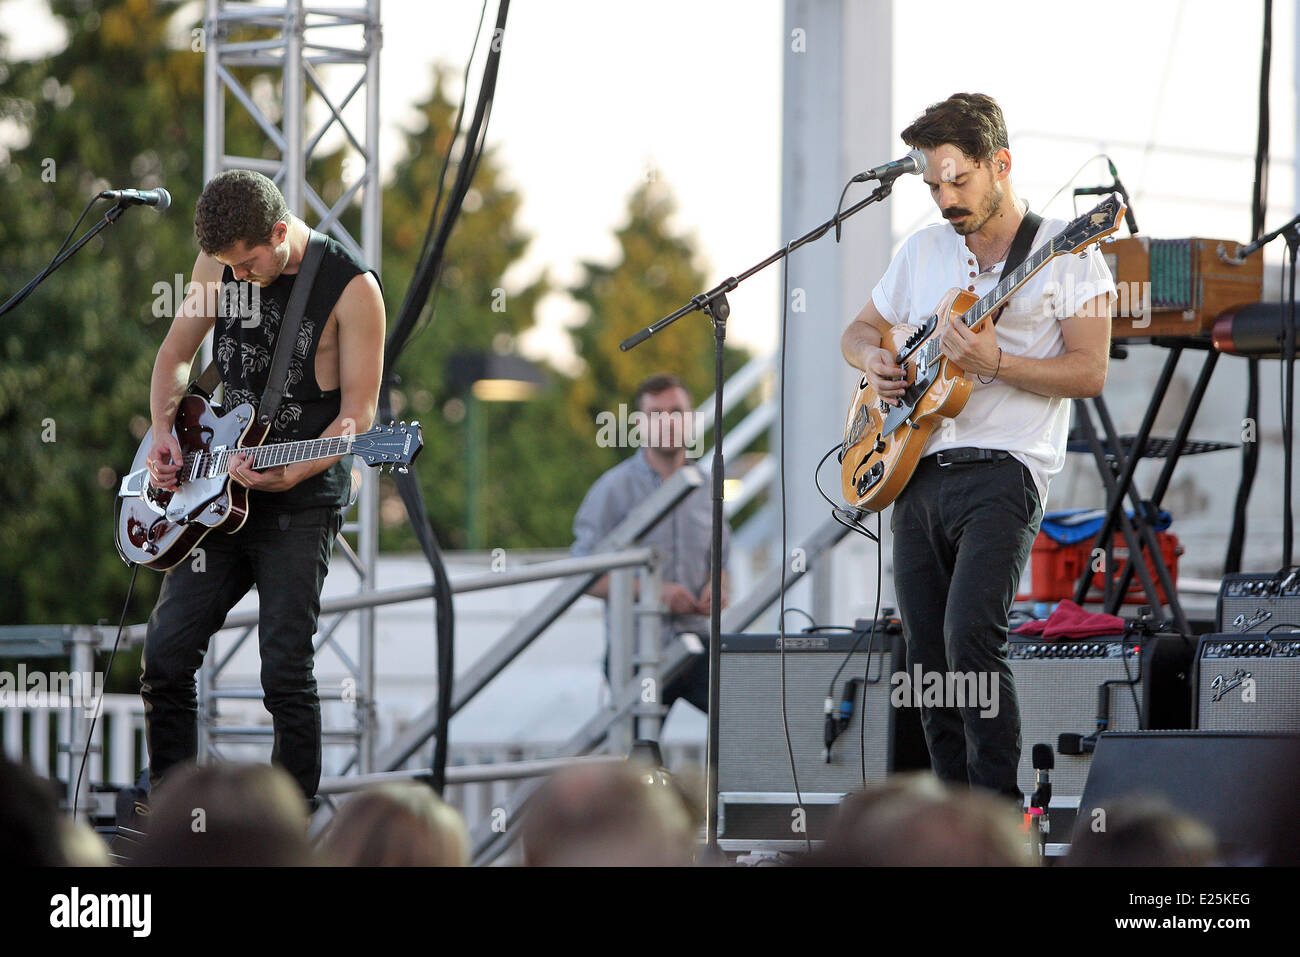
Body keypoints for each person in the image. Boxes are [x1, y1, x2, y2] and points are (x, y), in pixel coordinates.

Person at [840, 94, 1115, 802]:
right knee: (926, 656)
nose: (945, 197)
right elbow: (857, 332)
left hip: (1005, 470)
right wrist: (874, 361)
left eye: (958, 180)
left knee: (971, 637)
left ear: (1001, 164)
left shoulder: (1067, 251)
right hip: (916, 467)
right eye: (933, 184)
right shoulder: (922, 250)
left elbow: (1089, 370)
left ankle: (996, 818)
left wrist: (995, 365)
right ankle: (950, 825)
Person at [139, 169, 385, 806]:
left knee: (283, 670)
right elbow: (175, 356)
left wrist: (295, 468)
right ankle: (169, 814)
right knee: (164, 657)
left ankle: (289, 832)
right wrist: (166, 428)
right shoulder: (217, 264)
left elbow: (359, 416)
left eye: (249, 265)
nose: (238, 278)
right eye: (229, 269)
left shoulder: (351, 287)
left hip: (301, 499)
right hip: (216, 484)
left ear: (280, 232)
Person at [571, 373, 728, 714]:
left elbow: (721, 561)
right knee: (641, 763)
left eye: (676, 412)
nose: (668, 422)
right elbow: (580, 576)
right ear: (639, 424)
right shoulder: (611, 490)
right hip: (636, 652)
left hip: (699, 644)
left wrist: (717, 587)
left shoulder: (708, 487)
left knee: (741, 733)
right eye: (657, 414)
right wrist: (653, 592)